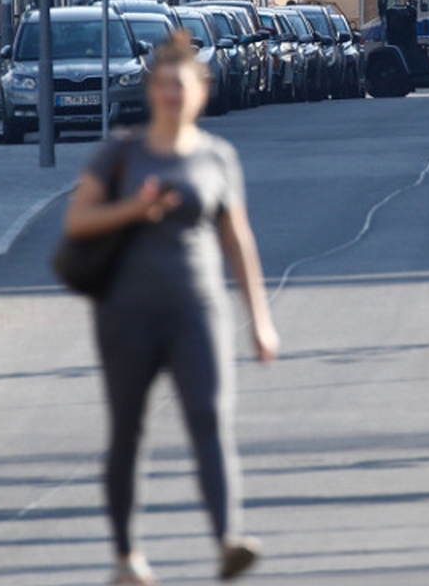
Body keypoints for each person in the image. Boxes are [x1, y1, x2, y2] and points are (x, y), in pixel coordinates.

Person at [62, 30, 280, 585]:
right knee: (129, 431)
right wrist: (135, 208)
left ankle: (228, 541)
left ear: (200, 92)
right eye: (162, 85)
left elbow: (238, 241)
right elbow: (77, 222)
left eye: (180, 86)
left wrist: (260, 319)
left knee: (210, 420)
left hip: (197, 310)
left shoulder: (217, 157)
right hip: (125, 314)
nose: (171, 95)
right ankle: (126, 558)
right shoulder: (122, 153)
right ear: (150, 91)